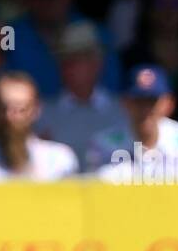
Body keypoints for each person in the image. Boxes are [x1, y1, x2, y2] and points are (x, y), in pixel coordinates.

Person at [3, 0, 122, 99]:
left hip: (83, 115)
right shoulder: (9, 33)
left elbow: (112, 89)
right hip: (23, 114)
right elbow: (0, 80)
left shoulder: (97, 33)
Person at [86, 64, 178, 184]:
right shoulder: (103, 144)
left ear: (168, 104)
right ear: (125, 103)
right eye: (138, 101)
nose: (145, 110)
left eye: (152, 101)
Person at [36, 22, 128, 168]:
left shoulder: (124, 110)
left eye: (78, 59)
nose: (69, 67)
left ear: (97, 63)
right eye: (64, 60)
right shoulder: (42, 113)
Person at [0, 72, 77, 181]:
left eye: (20, 109)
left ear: (36, 110)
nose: (10, 117)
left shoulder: (58, 161)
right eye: (4, 108)